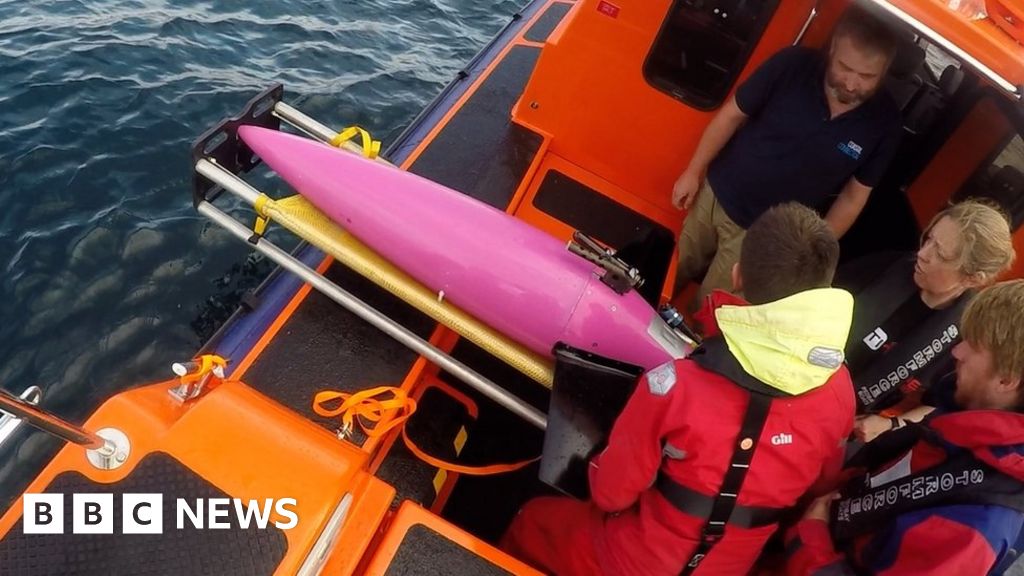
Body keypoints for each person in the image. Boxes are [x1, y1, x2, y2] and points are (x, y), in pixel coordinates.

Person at [502, 203, 856, 575]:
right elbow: (821, 486)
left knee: (531, 522)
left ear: (736, 276)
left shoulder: (675, 386)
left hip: (631, 561)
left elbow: (610, 495)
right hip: (728, 567)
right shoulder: (841, 391)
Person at [785, 280, 1024, 575]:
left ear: (1006, 381)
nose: (957, 352)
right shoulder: (962, 425)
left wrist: (811, 538)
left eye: (973, 347)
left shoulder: (975, 530)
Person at [672, 6, 902, 307]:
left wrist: (813, 252)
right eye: (845, 67)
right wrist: (693, 171)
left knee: (711, 311)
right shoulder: (792, 65)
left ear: (885, 71)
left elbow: (852, 198)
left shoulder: (884, 123)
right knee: (667, 271)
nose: (851, 83)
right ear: (833, 48)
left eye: (866, 76)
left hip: (764, 237)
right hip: (714, 196)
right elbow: (731, 114)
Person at [842, 200, 1014, 440]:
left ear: (973, 278)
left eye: (940, 254)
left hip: (842, 421)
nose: (922, 254)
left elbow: (943, 406)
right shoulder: (885, 267)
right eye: (929, 239)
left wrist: (889, 425)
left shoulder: (967, 339)